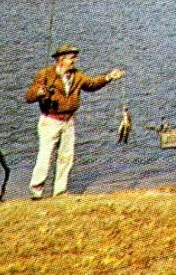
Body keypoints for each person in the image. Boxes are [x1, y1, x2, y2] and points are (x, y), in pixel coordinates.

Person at [24, 44, 124, 199]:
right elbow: (29, 96)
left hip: (68, 121)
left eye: (75, 58)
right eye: (72, 58)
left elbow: (91, 85)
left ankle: (60, 191)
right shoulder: (45, 74)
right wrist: (40, 93)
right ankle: (36, 192)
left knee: (66, 157)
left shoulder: (77, 75)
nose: (74, 61)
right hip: (49, 121)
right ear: (61, 59)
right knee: (45, 157)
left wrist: (108, 77)